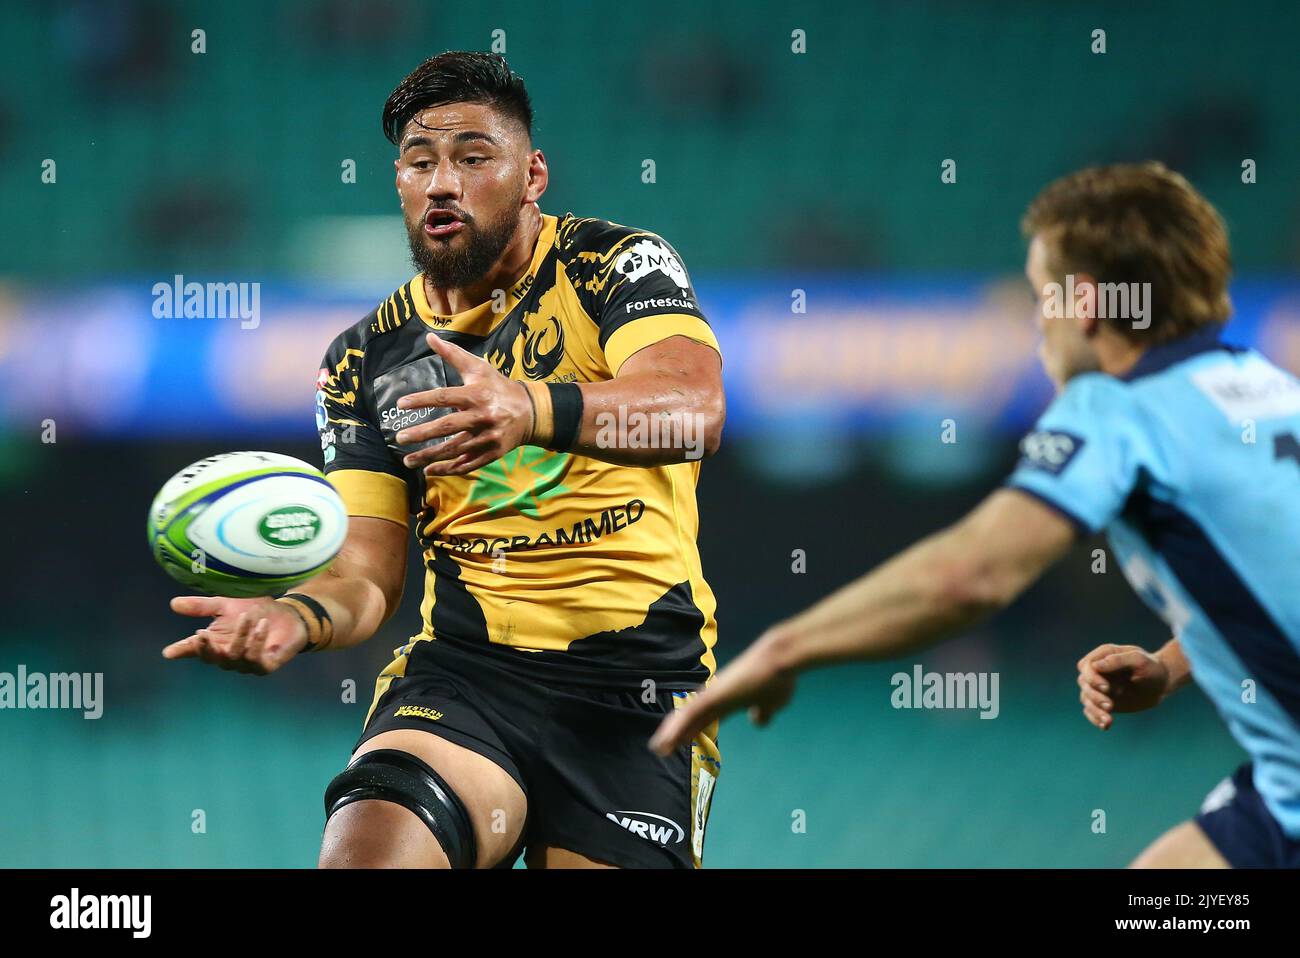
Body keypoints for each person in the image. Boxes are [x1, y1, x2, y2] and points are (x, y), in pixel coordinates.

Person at [164, 51, 725, 869]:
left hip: (636, 688)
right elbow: (366, 572)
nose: (442, 183)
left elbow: (695, 411)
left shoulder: (614, 266)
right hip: (467, 678)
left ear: (532, 174)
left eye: (472, 157)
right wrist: (299, 615)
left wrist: (529, 407)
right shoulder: (362, 359)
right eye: (420, 162)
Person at [653, 161, 1300, 868]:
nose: (1034, 324)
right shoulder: (1267, 388)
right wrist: (1176, 664)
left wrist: (785, 650)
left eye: (1039, 296)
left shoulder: (1118, 408)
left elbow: (971, 574)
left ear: (1084, 302)